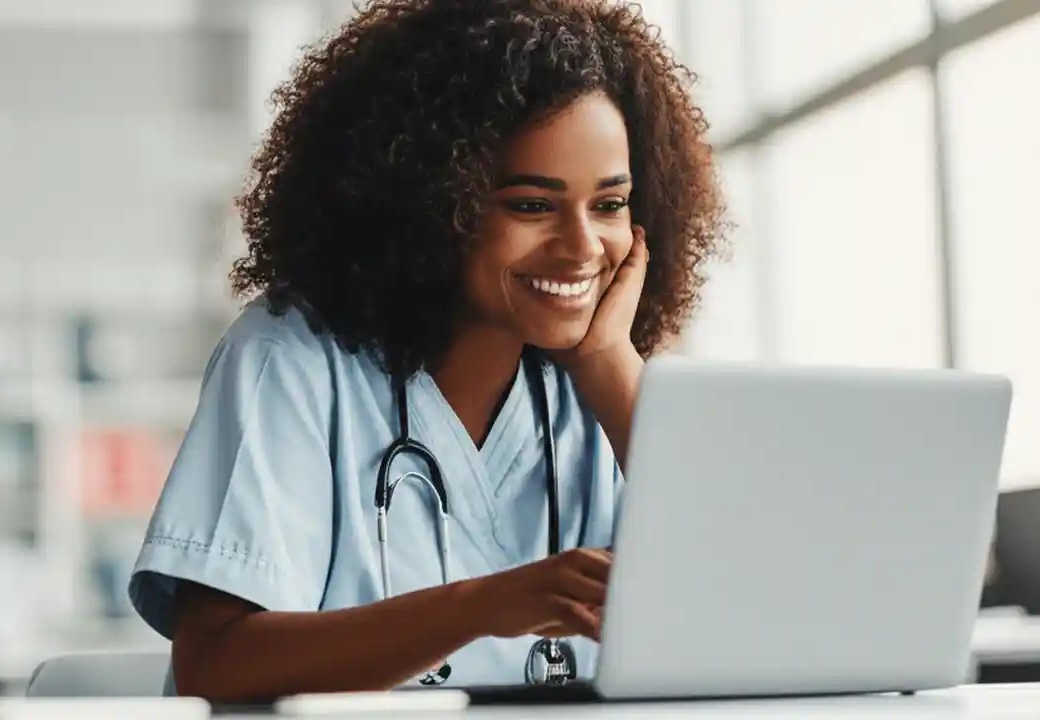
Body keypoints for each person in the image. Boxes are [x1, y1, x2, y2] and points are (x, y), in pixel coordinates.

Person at [128, 0, 724, 703]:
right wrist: (479, 607)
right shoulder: (292, 359)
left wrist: (607, 368)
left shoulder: (598, 387)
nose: (583, 246)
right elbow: (218, 663)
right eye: (531, 205)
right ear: (431, 200)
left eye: (609, 204)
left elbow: (759, 609)